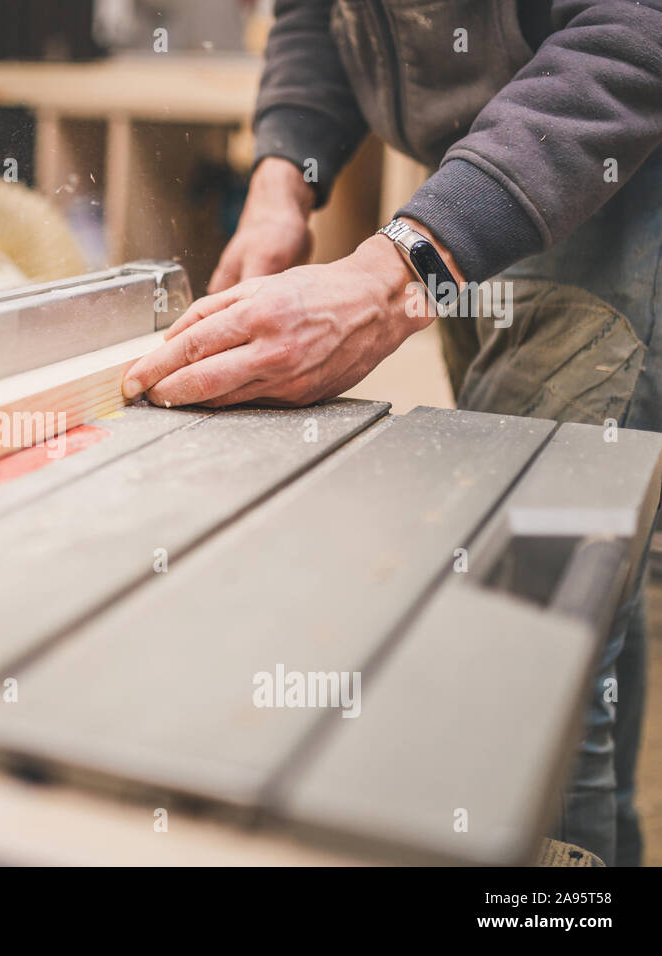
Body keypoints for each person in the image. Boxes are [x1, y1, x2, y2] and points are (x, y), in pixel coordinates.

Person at [123, 0, 662, 865]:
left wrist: (397, 273)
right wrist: (279, 182)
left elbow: (636, 29)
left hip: (602, 175)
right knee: (587, 598)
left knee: (526, 641)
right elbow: (316, 13)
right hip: (468, 189)